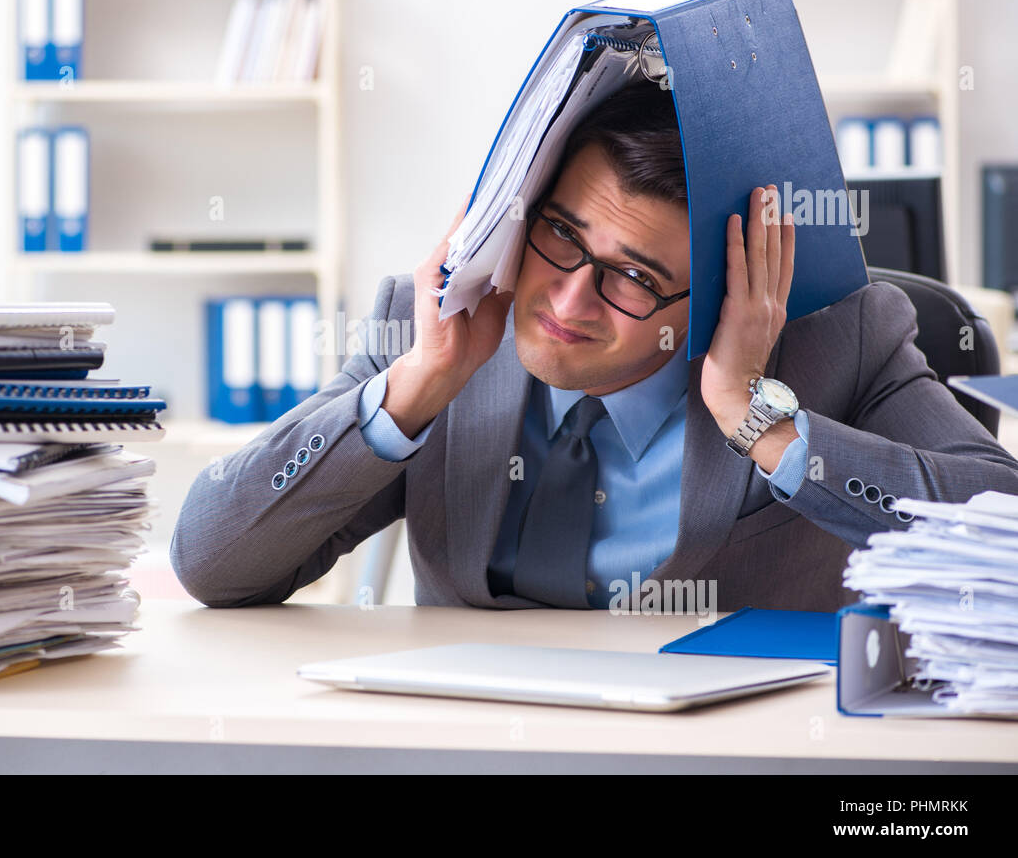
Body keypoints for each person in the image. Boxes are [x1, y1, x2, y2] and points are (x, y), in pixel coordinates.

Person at [170, 81, 1018, 613]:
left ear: (718, 295)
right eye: (560, 236)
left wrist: (756, 413)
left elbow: (1003, 529)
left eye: (635, 278)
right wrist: (415, 386)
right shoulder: (437, 331)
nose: (568, 298)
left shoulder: (837, 342)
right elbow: (211, 562)